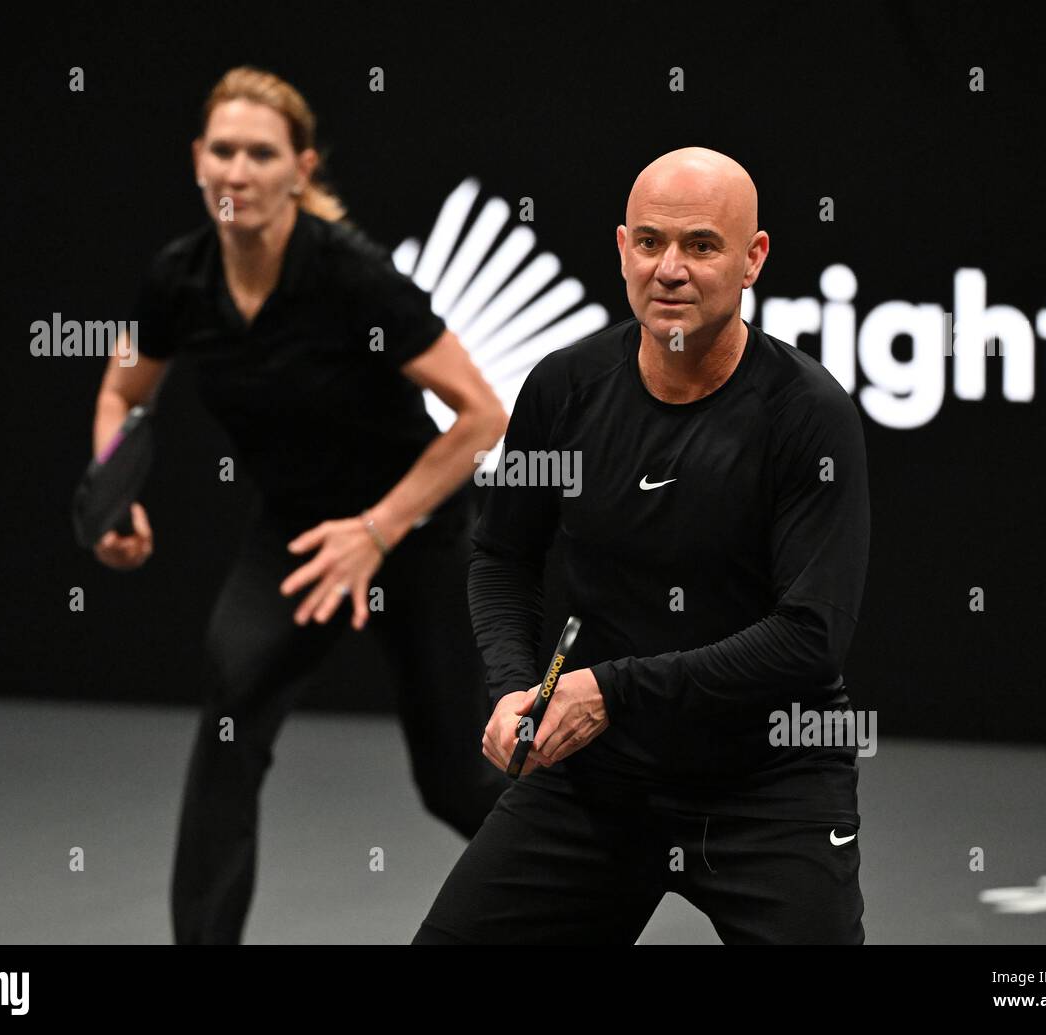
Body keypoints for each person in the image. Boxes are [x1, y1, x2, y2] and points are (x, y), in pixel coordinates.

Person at [88, 66, 509, 944]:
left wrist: (376, 531)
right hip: (293, 528)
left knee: (455, 782)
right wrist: (112, 489)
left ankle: (583, 893)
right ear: (197, 160)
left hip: (415, 527)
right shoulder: (180, 278)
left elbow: (481, 416)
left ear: (300, 169)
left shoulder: (353, 278)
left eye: (261, 153)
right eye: (223, 150)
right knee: (229, 723)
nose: (238, 171)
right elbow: (124, 390)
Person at [413, 147, 871, 945]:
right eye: (651, 242)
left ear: (752, 259)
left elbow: (810, 638)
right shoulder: (563, 389)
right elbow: (503, 555)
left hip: (768, 782)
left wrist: (610, 690)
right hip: (598, 780)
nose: (671, 269)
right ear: (622, 248)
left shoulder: (807, 415)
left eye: (701, 245)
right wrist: (518, 686)